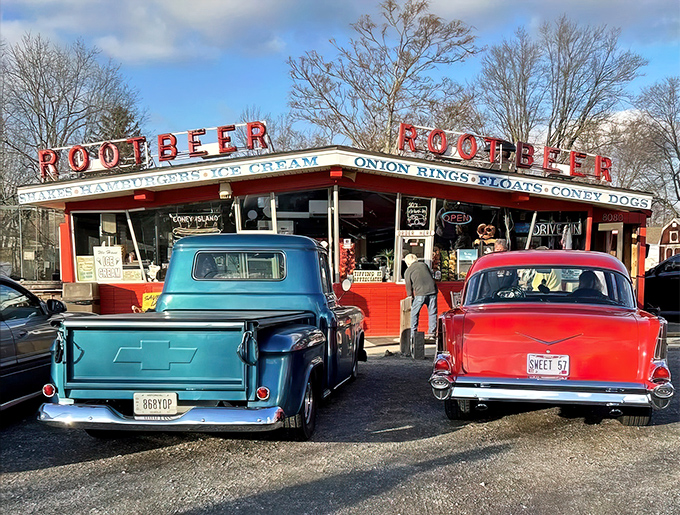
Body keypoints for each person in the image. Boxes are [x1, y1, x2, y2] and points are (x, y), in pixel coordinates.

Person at [403, 253, 438, 340]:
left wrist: (410, 296)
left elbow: (408, 285)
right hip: (432, 291)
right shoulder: (424, 265)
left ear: (407, 262)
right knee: (432, 313)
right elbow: (431, 275)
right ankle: (432, 334)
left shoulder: (408, 271)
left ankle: (413, 334)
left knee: (414, 314)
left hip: (420, 293)